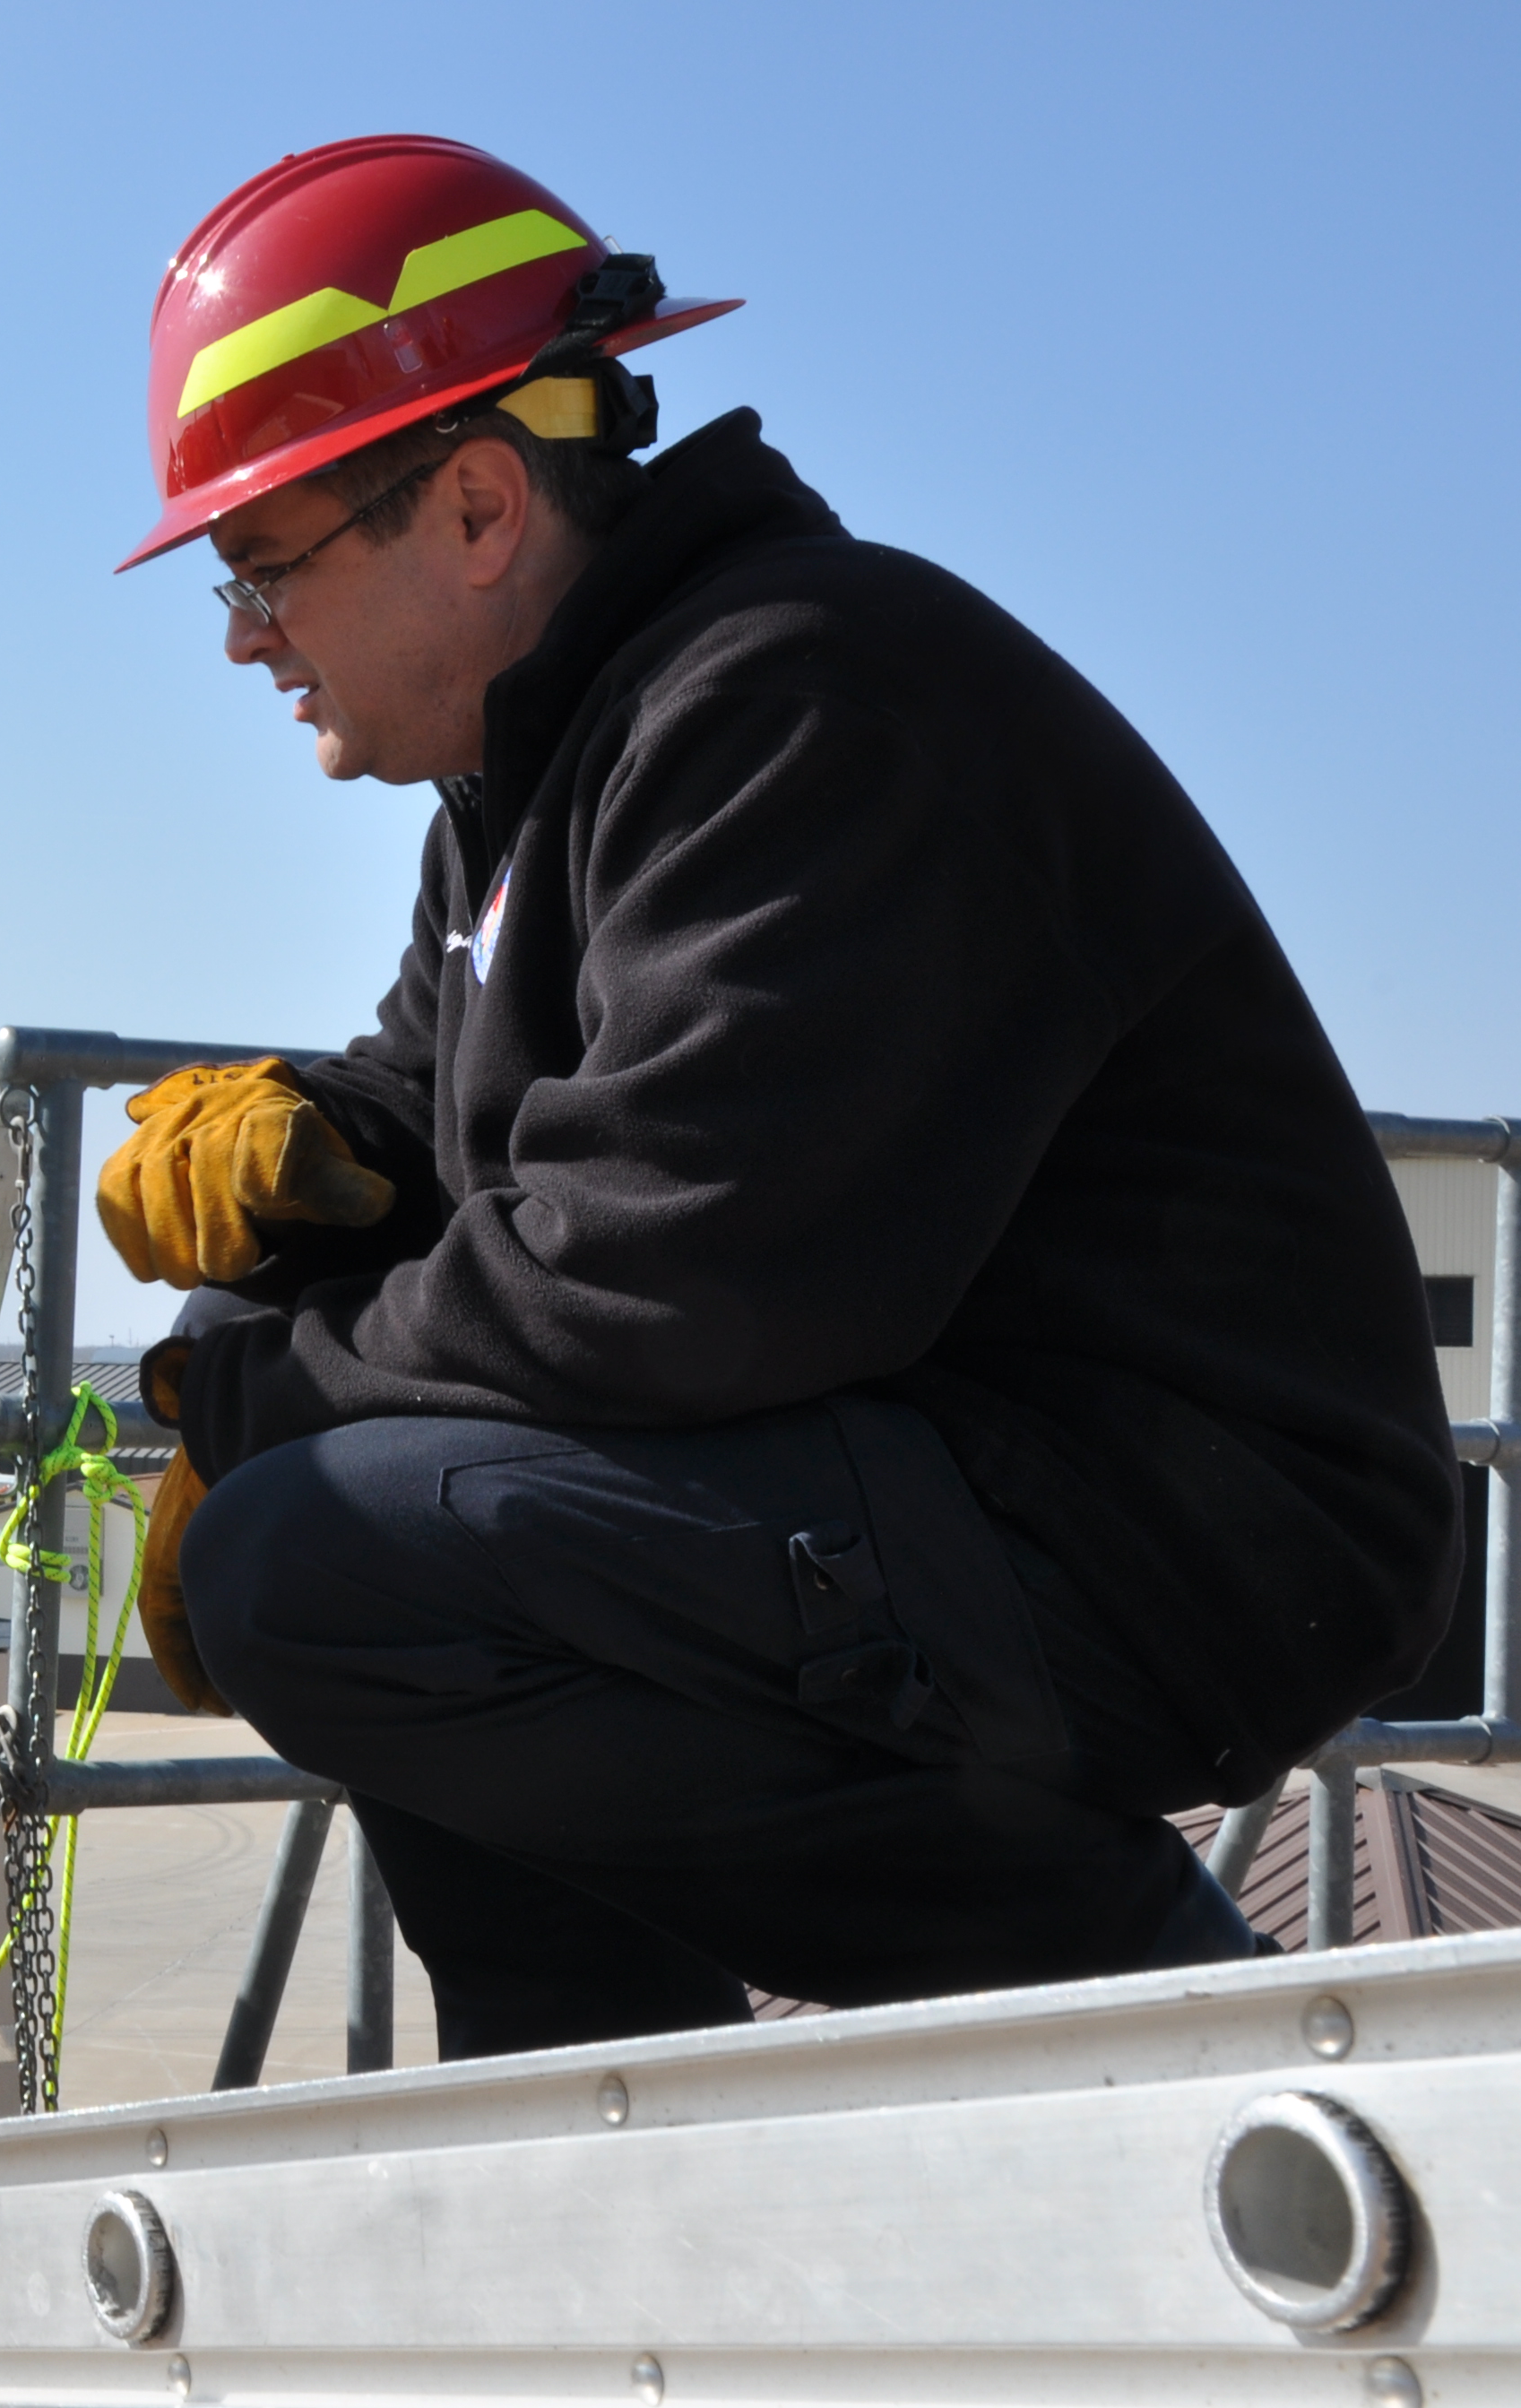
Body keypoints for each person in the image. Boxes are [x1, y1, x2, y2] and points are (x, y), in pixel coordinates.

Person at [99, 136, 1460, 2059]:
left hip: (1171, 1524)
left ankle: (1130, 2008)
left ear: (476, 504)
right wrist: (301, 1149)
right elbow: (438, 1117)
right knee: (313, 1441)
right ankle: (578, 2126)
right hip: (935, 1461)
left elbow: (676, 1273)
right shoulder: (537, 771)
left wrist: (221, 1409)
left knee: (317, 1551)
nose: (244, 634)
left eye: (259, 562)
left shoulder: (803, 697)